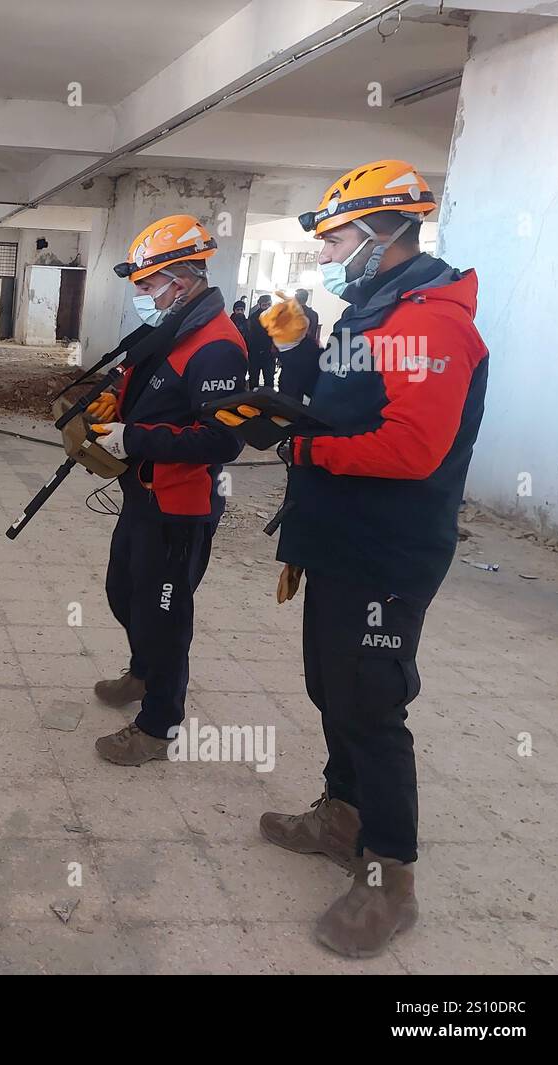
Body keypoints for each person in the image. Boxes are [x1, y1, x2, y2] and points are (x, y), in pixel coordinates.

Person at [228, 159, 489, 958]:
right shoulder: (375, 312)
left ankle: (390, 879)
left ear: (383, 229)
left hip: (386, 548)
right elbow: (338, 404)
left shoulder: (432, 324)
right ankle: (343, 817)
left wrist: (304, 446)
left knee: (372, 706)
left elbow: (411, 449)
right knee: (332, 688)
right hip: (339, 537)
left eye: (339, 236)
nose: (331, 251)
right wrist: (302, 351)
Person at [83, 215, 247, 766]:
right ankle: (143, 670)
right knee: (122, 591)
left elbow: (225, 439)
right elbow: (152, 388)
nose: (143, 297)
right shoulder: (173, 330)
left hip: (181, 504)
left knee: (165, 614)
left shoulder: (217, 346)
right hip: (143, 494)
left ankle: (158, 724)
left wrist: (138, 436)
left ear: (181, 278)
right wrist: (116, 406)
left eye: (150, 286)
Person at [245, 293, 275, 388]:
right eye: (264, 305)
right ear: (259, 305)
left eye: (268, 305)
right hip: (255, 353)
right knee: (254, 379)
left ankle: (269, 402)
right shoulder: (253, 318)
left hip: (269, 353)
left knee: (269, 380)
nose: (266, 307)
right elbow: (249, 336)